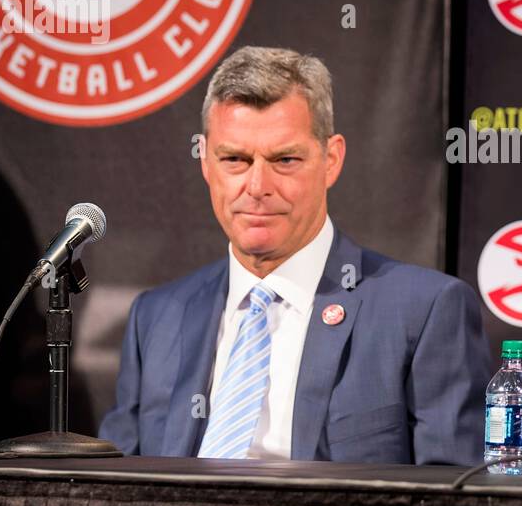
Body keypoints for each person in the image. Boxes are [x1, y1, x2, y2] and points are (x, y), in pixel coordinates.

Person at [99, 46, 491, 463]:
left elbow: (450, 503)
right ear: (205, 161)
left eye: (285, 160)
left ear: (331, 160)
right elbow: (117, 494)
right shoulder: (156, 317)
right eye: (234, 159)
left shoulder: (424, 311)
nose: (257, 186)